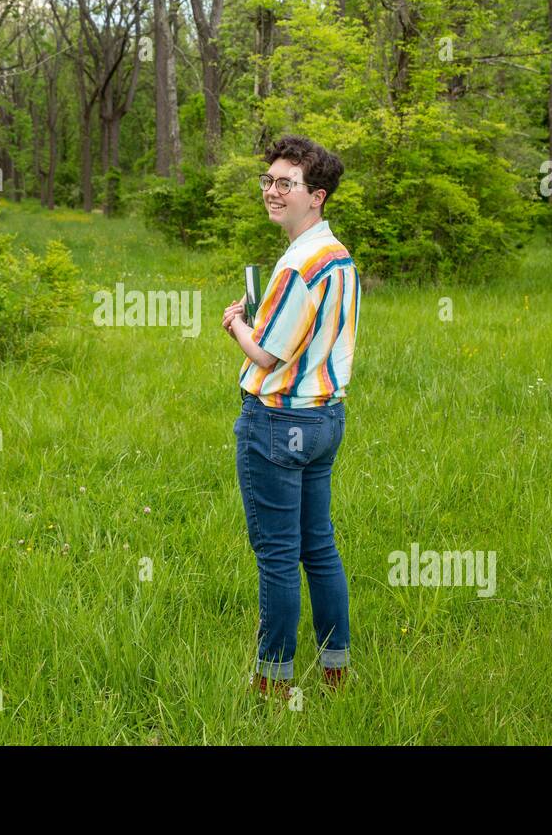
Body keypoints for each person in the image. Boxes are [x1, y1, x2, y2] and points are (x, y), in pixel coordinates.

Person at [221, 134, 360, 700]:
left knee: (278, 557)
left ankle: (272, 681)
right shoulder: (338, 256)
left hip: (278, 422)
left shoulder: (297, 265)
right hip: (325, 418)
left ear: (316, 196)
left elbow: (267, 354)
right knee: (317, 547)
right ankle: (335, 667)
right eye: (269, 181)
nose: (273, 192)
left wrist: (235, 322)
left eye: (287, 184)